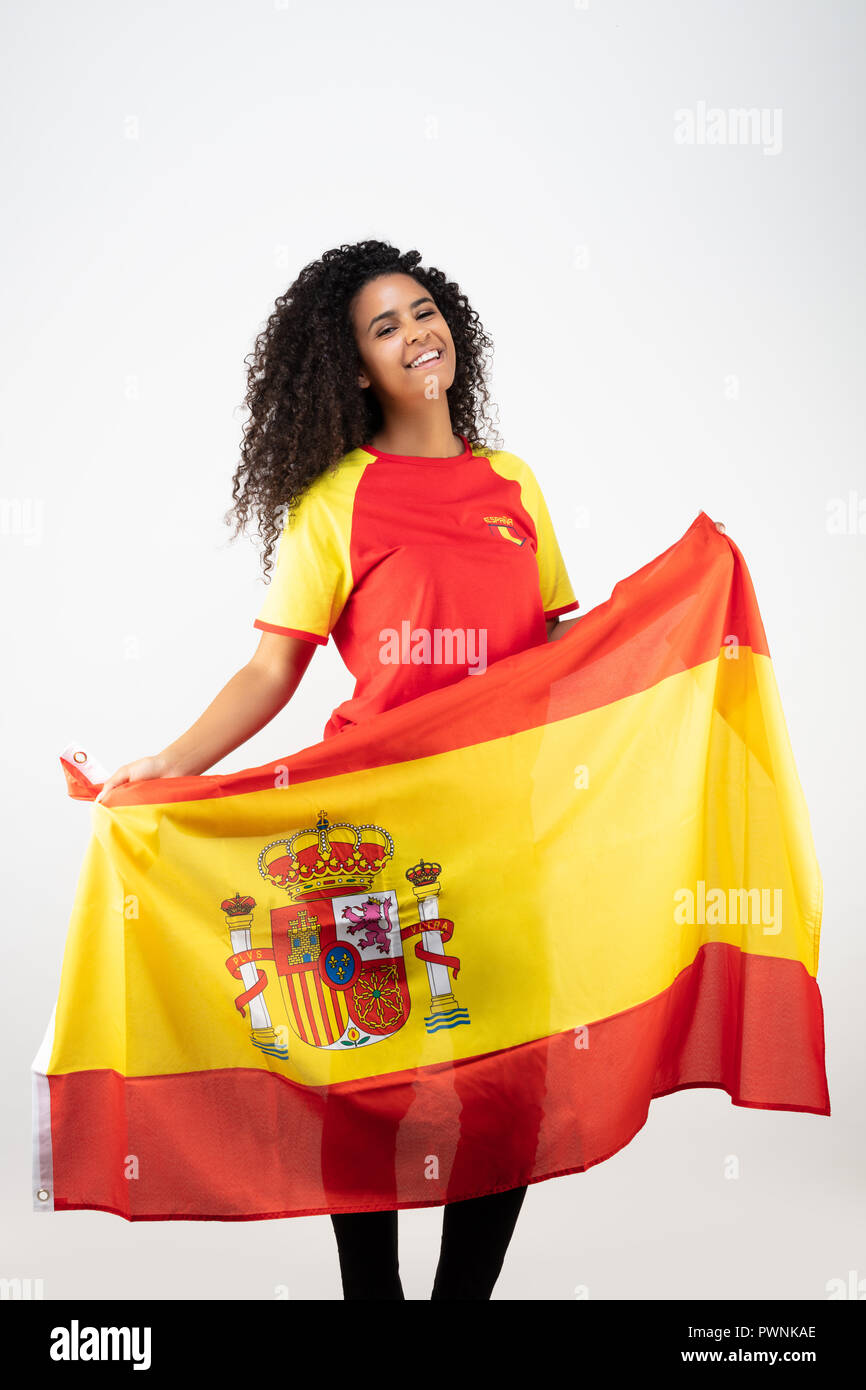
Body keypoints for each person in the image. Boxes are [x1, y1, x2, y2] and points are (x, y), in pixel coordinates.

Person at [94, 239, 723, 1298]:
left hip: (505, 835)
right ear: (351, 368)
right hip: (369, 838)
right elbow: (269, 668)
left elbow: (553, 654)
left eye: (422, 311)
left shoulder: (510, 482)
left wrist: (671, 608)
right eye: (382, 327)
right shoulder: (335, 500)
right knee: (373, 1078)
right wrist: (165, 762)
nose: (413, 334)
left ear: (452, 327)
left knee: (507, 1081)